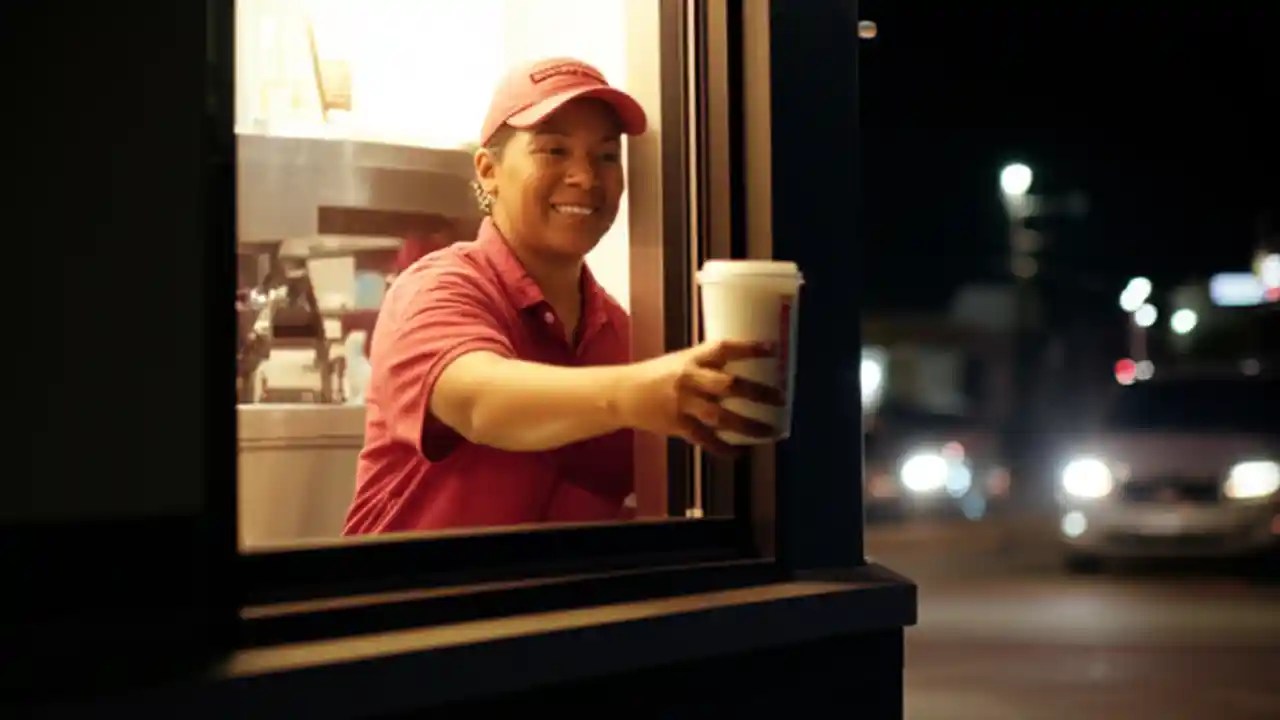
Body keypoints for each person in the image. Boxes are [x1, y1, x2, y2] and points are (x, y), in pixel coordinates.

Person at [343, 57, 783, 534]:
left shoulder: (619, 333)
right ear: (489, 171)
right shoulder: (438, 286)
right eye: (554, 151)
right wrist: (641, 393)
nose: (586, 178)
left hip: (556, 603)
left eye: (606, 156)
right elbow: (478, 404)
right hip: (410, 601)